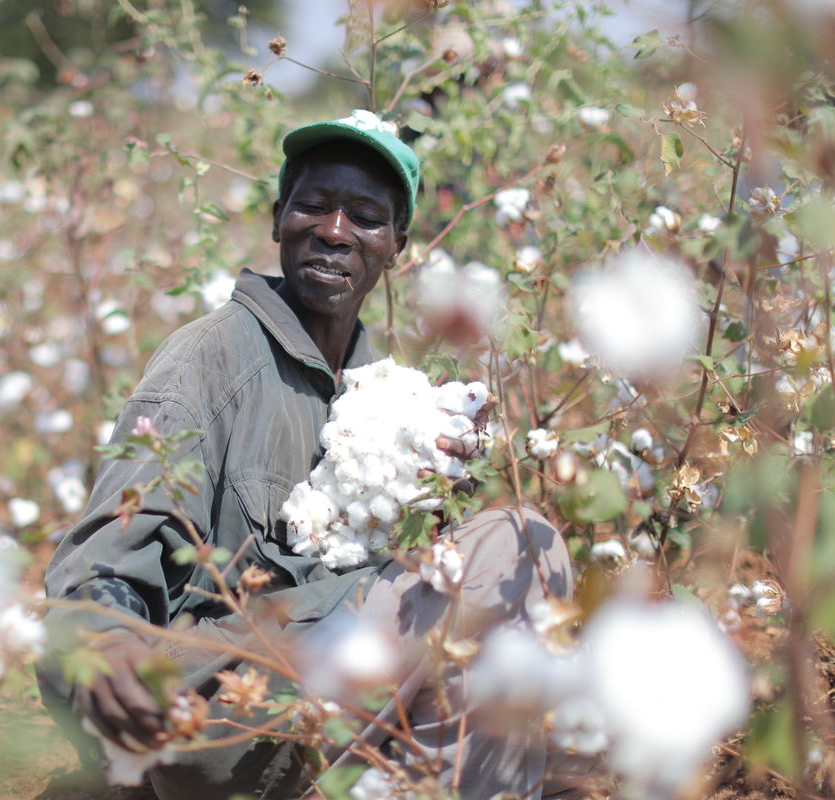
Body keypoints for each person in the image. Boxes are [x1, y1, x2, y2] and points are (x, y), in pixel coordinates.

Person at [40, 111, 573, 799]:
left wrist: (436, 504)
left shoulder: (389, 395)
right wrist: (105, 646)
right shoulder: (210, 359)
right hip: (223, 713)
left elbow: (397, 585)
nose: (334, 230)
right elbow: (110, 551)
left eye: (365, 216)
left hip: (332, 699)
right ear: (278, 219)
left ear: (397, 244)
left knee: (505, 624)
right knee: (520, 542)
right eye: (314, 206)